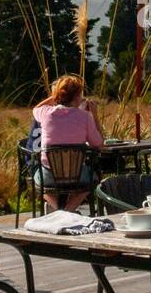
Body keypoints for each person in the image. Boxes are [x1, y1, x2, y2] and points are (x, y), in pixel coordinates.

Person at [32, 74, 105, 212]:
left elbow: (35, 108)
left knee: (39, 181)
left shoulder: (46, 113)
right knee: (92, 179)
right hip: (77, 175)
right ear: (77, 96)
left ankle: (61, 211)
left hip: (49, 175)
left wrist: (55, 96)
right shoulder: (85, 117)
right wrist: (94, 114)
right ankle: (68, 211)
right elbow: (99, 144)